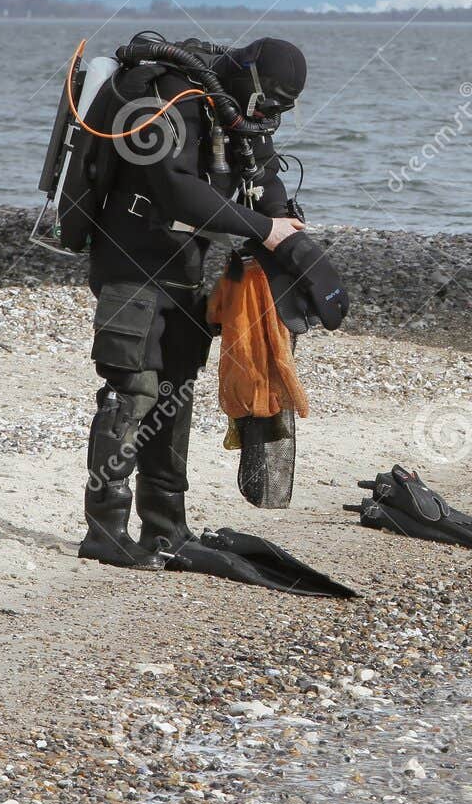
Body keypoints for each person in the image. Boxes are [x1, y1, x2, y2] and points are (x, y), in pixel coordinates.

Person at [78, 37, 309, 569]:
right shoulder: (169, 99)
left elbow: (264, 177)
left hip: (185, 269)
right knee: (132, 390)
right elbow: (178, 190)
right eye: (268, 100)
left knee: (175, 395)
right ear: (248, 77)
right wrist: (264, 230)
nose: (268, 113)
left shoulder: (233, 113)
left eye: (281, 107)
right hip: (130, 263)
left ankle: (166, 527)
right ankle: (105, 528)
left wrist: (290, 236)